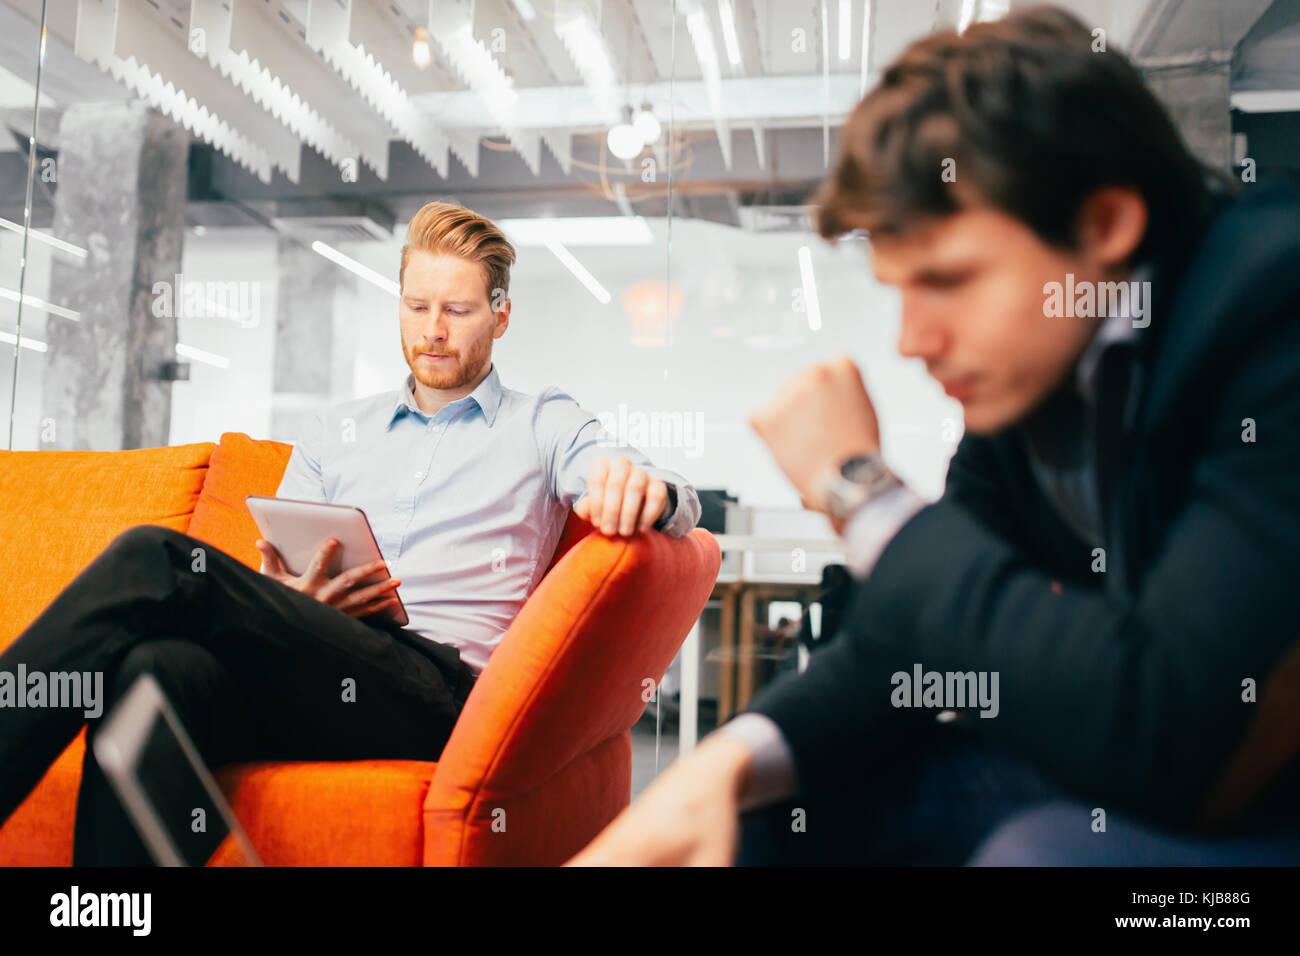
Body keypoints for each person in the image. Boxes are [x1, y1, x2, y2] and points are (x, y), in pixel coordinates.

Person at [568, 5, 1300, 866]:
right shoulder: (1049, 374)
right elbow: (908, 646)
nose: (912, 341)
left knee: (1043, 857)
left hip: (1235, 792)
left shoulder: (1270, 305)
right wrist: (720, 767)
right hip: (1159, 770)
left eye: (949, 281)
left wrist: (862, 489)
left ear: (1104, 225)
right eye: (902, 290)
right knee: (767, 822)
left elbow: (1174, 730)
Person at [0, 201, 701, 865]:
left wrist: (647, 489)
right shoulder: (335, 434)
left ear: (500, 315)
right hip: (321, 668)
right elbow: (272, 576)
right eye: (417, 306)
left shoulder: (541, 420)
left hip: (439, 689)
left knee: (153, 560)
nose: (433, 329)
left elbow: (666, 493)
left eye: (457, 310)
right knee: (149, 673)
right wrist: (296, 594)